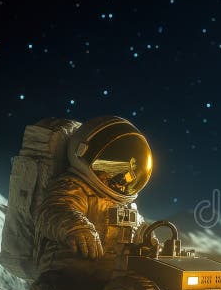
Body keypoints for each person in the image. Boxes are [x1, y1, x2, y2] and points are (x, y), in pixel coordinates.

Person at [33, 116, 153, 280]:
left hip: (109, 281)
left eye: (122, 173)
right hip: (67, 278)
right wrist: (77, 227)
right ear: (82, 153)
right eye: (105, 167)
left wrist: (149, 241)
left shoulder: (124, 204)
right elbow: (54, 209)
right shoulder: (75, 186)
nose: (117, 179)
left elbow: (138, 229)